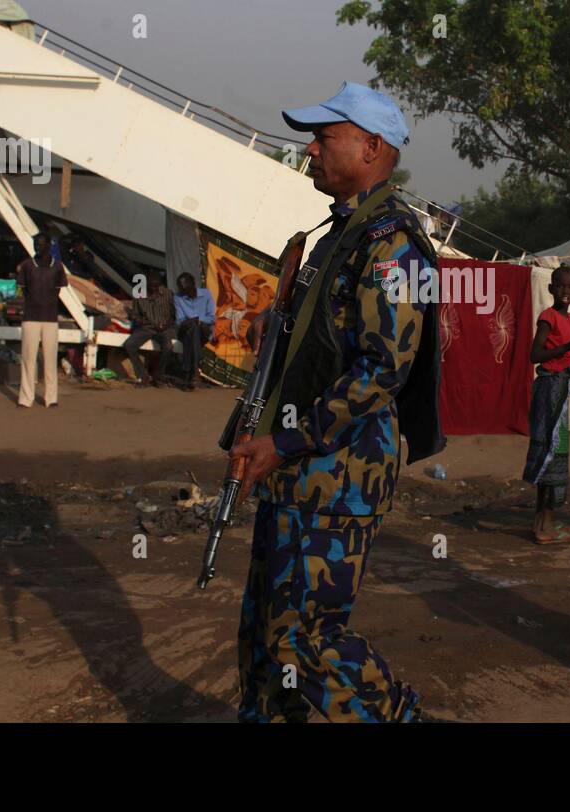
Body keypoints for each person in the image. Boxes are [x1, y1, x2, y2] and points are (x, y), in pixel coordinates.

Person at [226, 81, 444, 723]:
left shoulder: (394, 243)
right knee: (266, 634)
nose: (310, 150)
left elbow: (384, 367)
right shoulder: (335, 237)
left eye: (324, 138)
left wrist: (286, 441)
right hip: (299, 468)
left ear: (372, 147)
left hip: (338, 471)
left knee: (305, 638)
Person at [523, 265, 570, 544]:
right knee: (551, 451)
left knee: (554, 452)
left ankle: (543, 521)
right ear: (551, 288)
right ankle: (544, 525)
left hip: (561, 387)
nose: (565, 291)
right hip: (549, 390)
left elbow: (561, 357)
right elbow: (536, 354)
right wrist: (566, 349)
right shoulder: (548, 317)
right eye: (560, 286)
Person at [16, 233, 67, 408]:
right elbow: (23, 289)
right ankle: (25, 398)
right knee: (28, 358)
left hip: (50, 318)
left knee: (50, 358)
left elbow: (58, 290)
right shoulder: (27, 266)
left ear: (49, 245)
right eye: (35, 244)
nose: (37, 247)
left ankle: (51, 398)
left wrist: (45, 302)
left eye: (41, 244)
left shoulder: (58, 266)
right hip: (30, 316)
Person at [123, 271, 176, 387]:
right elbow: (135, 315)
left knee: (168, 348)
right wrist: (141, 321)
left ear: (160, 286)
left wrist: (166, 325)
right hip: (146, 328)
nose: (153, 289)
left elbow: (174, 315)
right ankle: (143, 376)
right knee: (129, 345)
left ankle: (159, 375)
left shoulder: (168, 294)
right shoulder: (139, 295)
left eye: (156, 287)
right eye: (151, 286)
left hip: (163, 328)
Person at [173, 272, 217, 390]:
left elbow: (212, 318)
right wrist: (193, 322)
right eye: (182, 290)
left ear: (193, 284)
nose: (184, 292)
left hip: (204, 330)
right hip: (187, 331)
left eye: (186, 289)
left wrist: (197, 320)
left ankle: (187, 371)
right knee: (193, 329)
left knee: (196, 328)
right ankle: (194, 373)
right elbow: (179, 321)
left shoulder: (206, 294)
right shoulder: (178, 297)